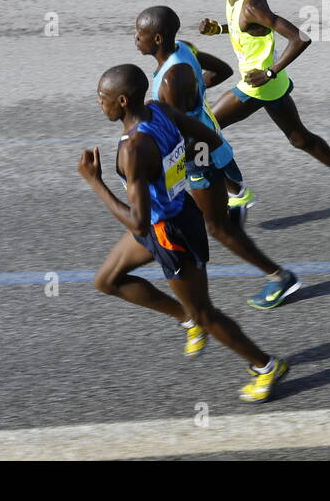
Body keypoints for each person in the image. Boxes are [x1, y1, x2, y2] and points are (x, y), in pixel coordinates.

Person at [78, 63, 288, 402]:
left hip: (169, 232)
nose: (98, 101)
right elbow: (208, 137)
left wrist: (96, 183)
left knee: (206, 312)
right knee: (107, 280)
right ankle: (187, 319)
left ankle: (265, 365)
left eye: (102, 97)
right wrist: (177, 163)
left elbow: (139, 224)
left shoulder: (131, 151)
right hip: (180, 210)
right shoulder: (159, 110)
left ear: (122, 101)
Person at [136, 5, 301, 311]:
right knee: (216, 215)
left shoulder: (171, 80)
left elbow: (182, 133)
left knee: (218, 228)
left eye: (140, 33)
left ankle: (280, 277)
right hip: (211, 142)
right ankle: (237, 196)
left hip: (201, 156)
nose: (136, 38)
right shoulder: (184, 49)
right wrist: (195, 94)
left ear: (157, 38)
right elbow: (222, 72)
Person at [198, 0, 330, 191]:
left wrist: (270, 72)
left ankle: (235, 192)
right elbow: (246, 28)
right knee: (299, 138)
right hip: (272, 84)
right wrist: (218, 29)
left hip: (258, 84)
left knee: (204, 129)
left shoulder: (252, 5)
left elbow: (300, 38)